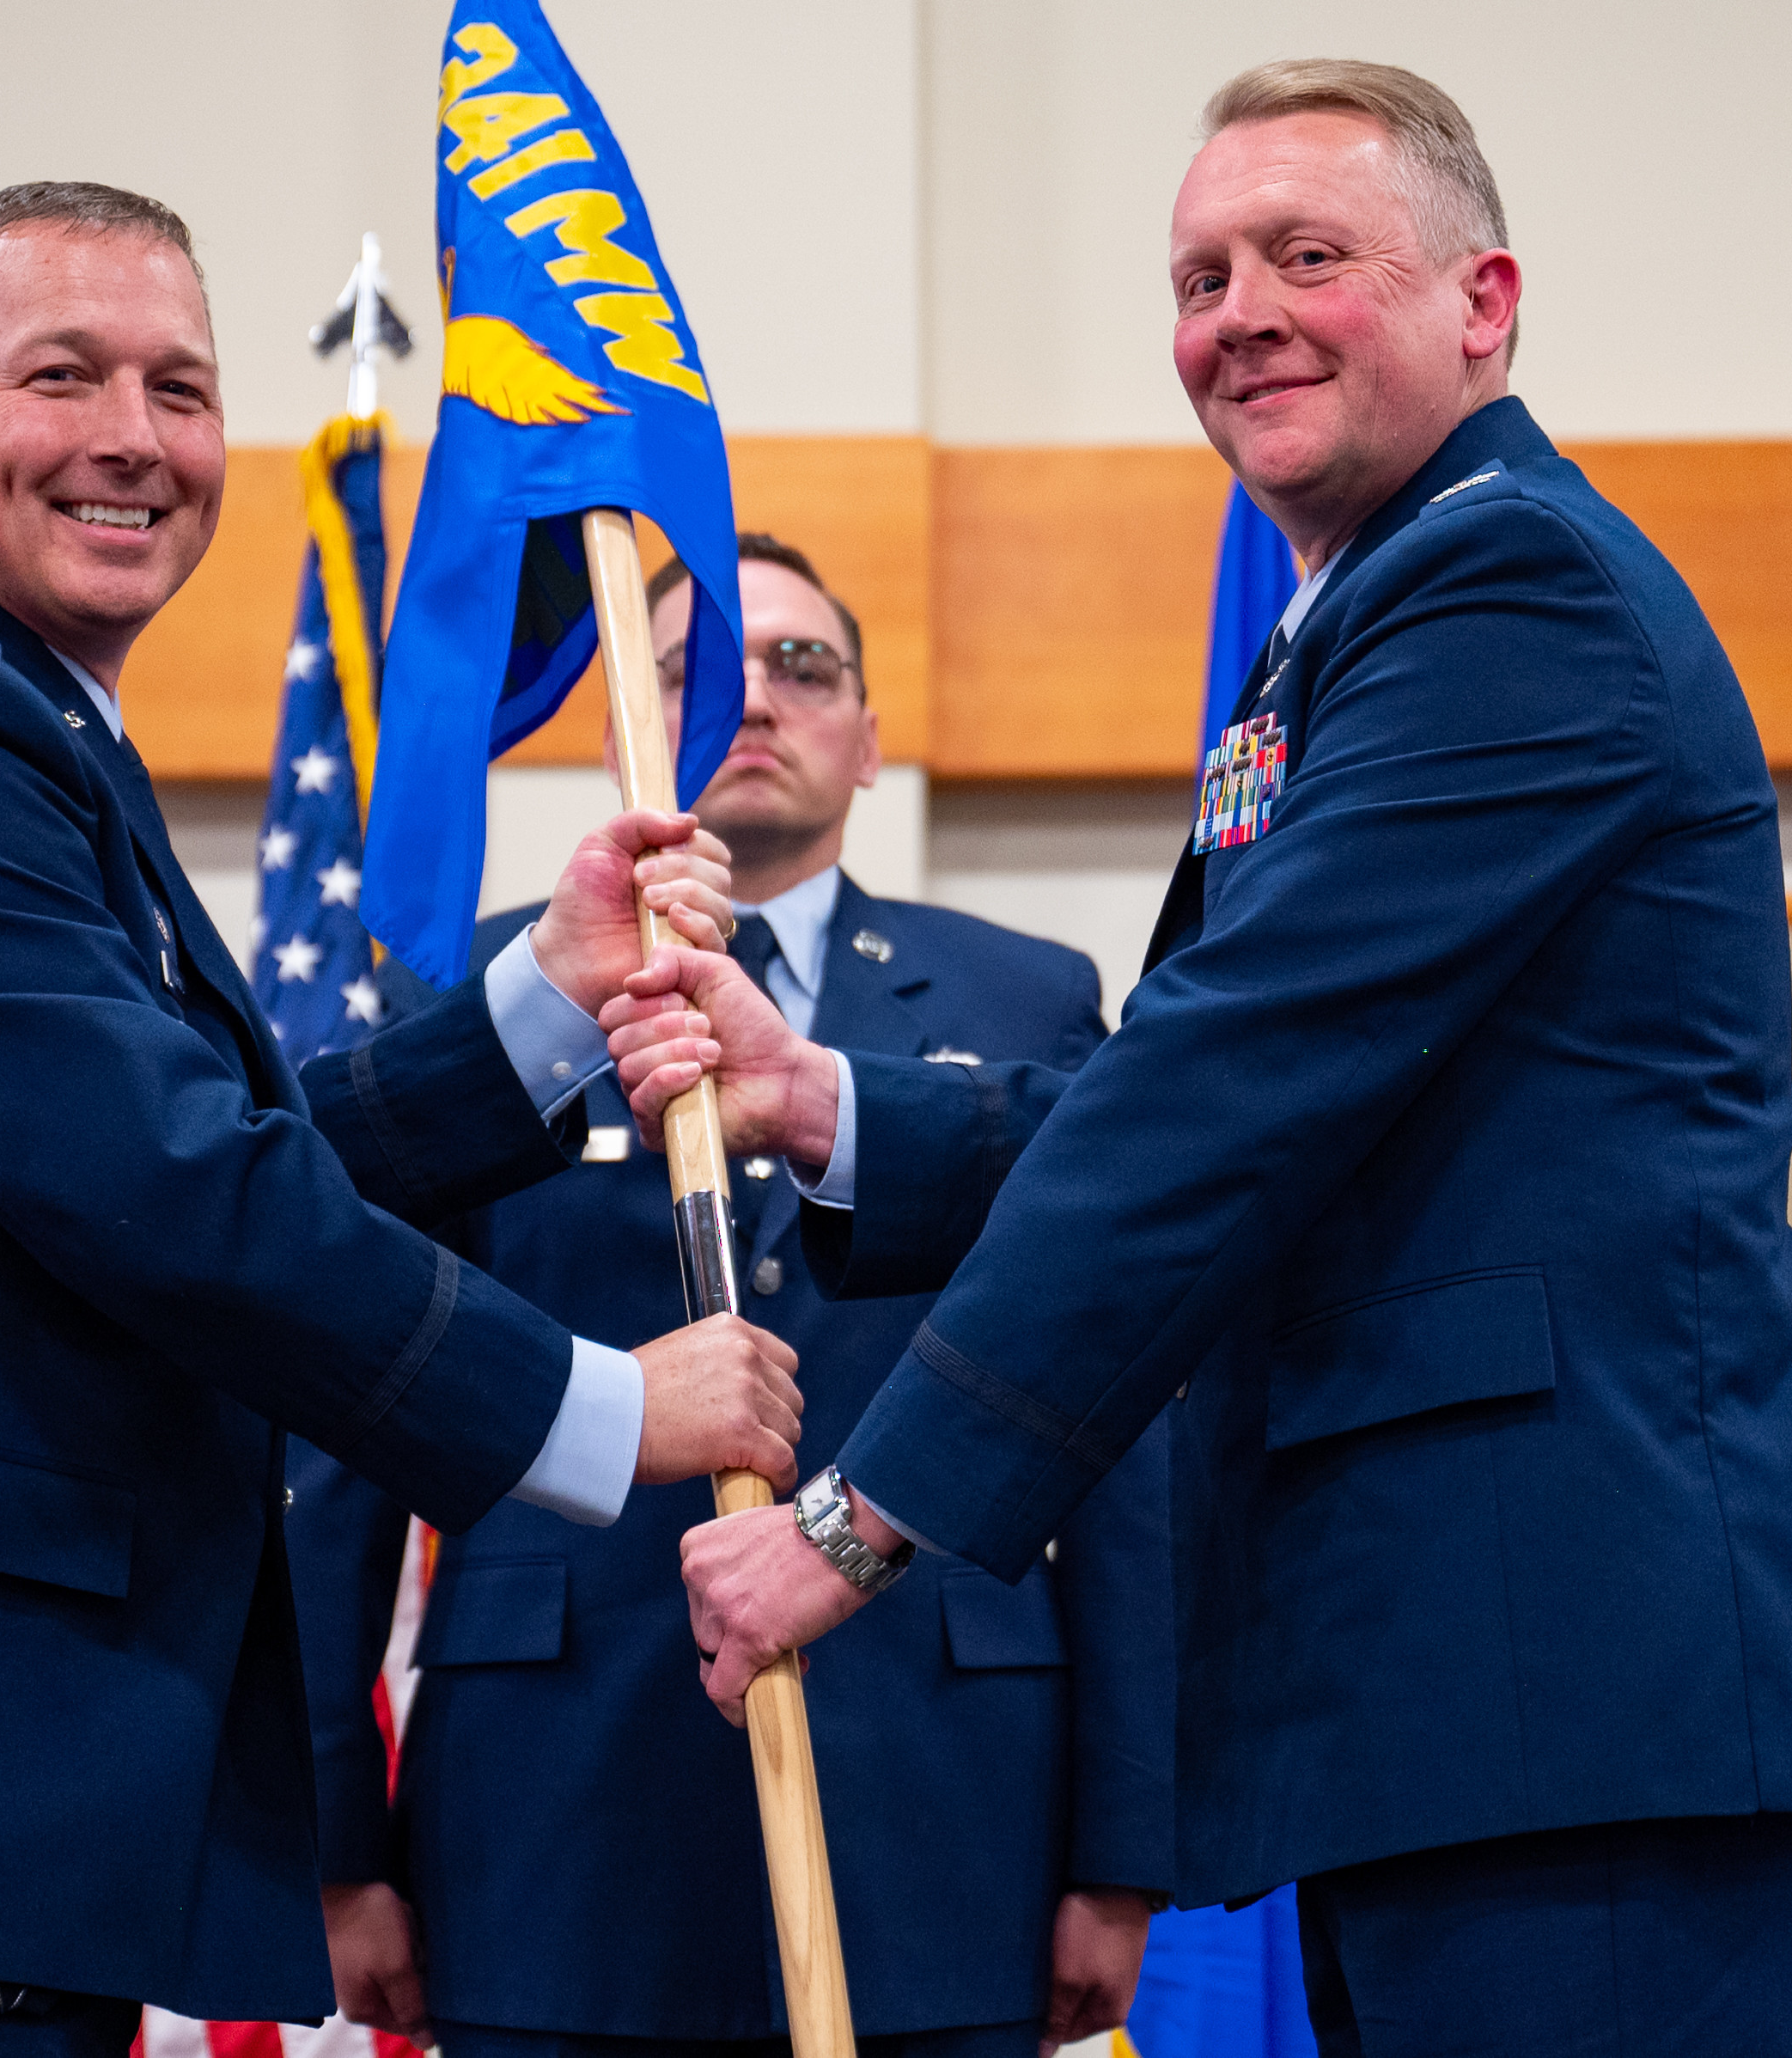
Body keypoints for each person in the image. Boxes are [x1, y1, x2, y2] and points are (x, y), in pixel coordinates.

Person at [613, 64, 1792, 2057]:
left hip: (1575, 1688)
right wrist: (825, 1102)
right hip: (1451, 1691)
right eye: (1197, 272)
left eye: (1306, 257)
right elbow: (1226, 1081)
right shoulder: (1361, 618)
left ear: (1482, 303)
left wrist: (849, 1522)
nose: (1235, 310)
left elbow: (1229, 1095)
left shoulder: (1512, 590)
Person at [0, 181, 808, 2057]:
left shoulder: (40, 737)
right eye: (62, 376)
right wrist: (606, 1411)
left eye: (180, 388)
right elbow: (177, 1196)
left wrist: (549, 994)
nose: (135, 439)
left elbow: (220, 1136)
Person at [288, 536, 1172, 2058]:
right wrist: (334, 1838)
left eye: (802, 666)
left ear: (873, 736)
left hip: (946, 1812)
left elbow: (1115, 1411)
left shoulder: (1026, 1001)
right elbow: (350, 1403)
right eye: (696, 674)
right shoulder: (485, 996)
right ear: (637, 723)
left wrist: (1122, 1846)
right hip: (551, 1821)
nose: (752, 700)